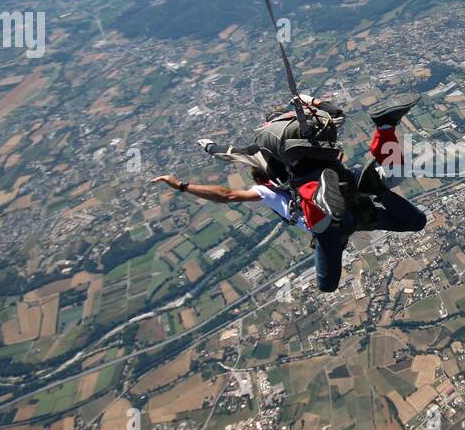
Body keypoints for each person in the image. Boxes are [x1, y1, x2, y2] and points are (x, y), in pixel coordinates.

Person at [152, 93, 425, 292]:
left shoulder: (266, 185)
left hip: (331, 225)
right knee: (407, 205)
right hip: (353, 196)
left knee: (327, 283)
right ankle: (386, 130)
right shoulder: (313, 134)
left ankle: (319, 199)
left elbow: (227, 194)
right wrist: (311, 100)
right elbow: (337, 115)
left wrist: (183, 185)